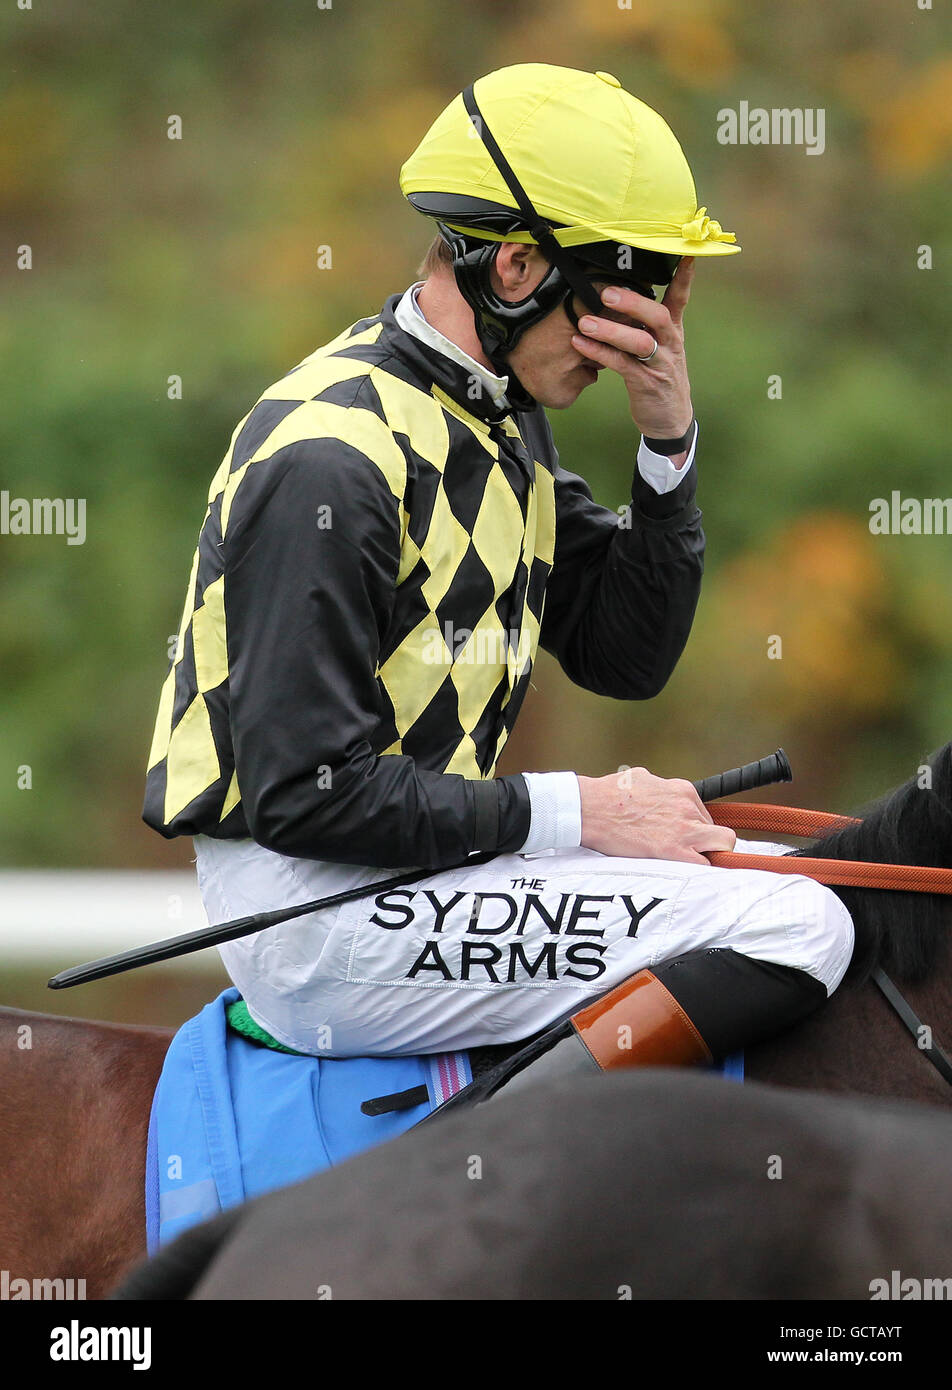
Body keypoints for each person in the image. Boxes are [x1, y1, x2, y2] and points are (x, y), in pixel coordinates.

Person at [143, 64, 853, 1071]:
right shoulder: (330, 461)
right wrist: (587, 807)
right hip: (312, 907)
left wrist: (667, 442)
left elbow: (624, 655)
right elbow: (305, 797)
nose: (627, 343)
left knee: (806, 880)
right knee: (797, 926)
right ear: (516, 269)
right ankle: (498, 1199)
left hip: (419, 870)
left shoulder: (490, 417)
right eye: (617, 296)